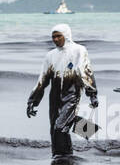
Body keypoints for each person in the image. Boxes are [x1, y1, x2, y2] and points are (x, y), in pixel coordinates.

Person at [26, 23, 98, 157]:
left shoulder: (79, 50)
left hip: (72, 92)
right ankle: (61, 153)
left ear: (66, 35)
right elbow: (42, 80)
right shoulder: (50, 55)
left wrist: (92, 94)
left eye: (58, 36)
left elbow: (86, 72)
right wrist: (32, 101)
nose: (55, 39)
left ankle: (64, 155)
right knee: (54, 127)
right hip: (54, 95)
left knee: (60, 126)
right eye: (53, 37)